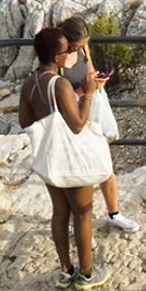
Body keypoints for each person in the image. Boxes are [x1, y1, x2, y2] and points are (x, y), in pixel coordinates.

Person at [18, 26, 111, 291]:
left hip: (49, 157)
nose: (71, 52)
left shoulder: (29, 83)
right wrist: (89, 93)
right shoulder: (59, 83)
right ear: (57, 57)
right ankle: (87, 274)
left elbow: (26, 120)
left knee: (60, 213)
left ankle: (65, 271)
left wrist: (74, 95)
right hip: (71, 157)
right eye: (66, 50)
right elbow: (78, 124)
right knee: (83, 213)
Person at [58, 15, 138, 232]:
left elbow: (90, 70)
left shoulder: (83, 49)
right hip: (72, 118)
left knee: (105, 165)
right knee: (79, 173)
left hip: (90, 109)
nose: (80, 49)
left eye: (84, 45)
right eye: (77, 45)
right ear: (66, 41)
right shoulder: (57, 59)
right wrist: (85, 90)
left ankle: (115, 214)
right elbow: (59, 95)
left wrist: (97, 80)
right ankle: (80, 227)